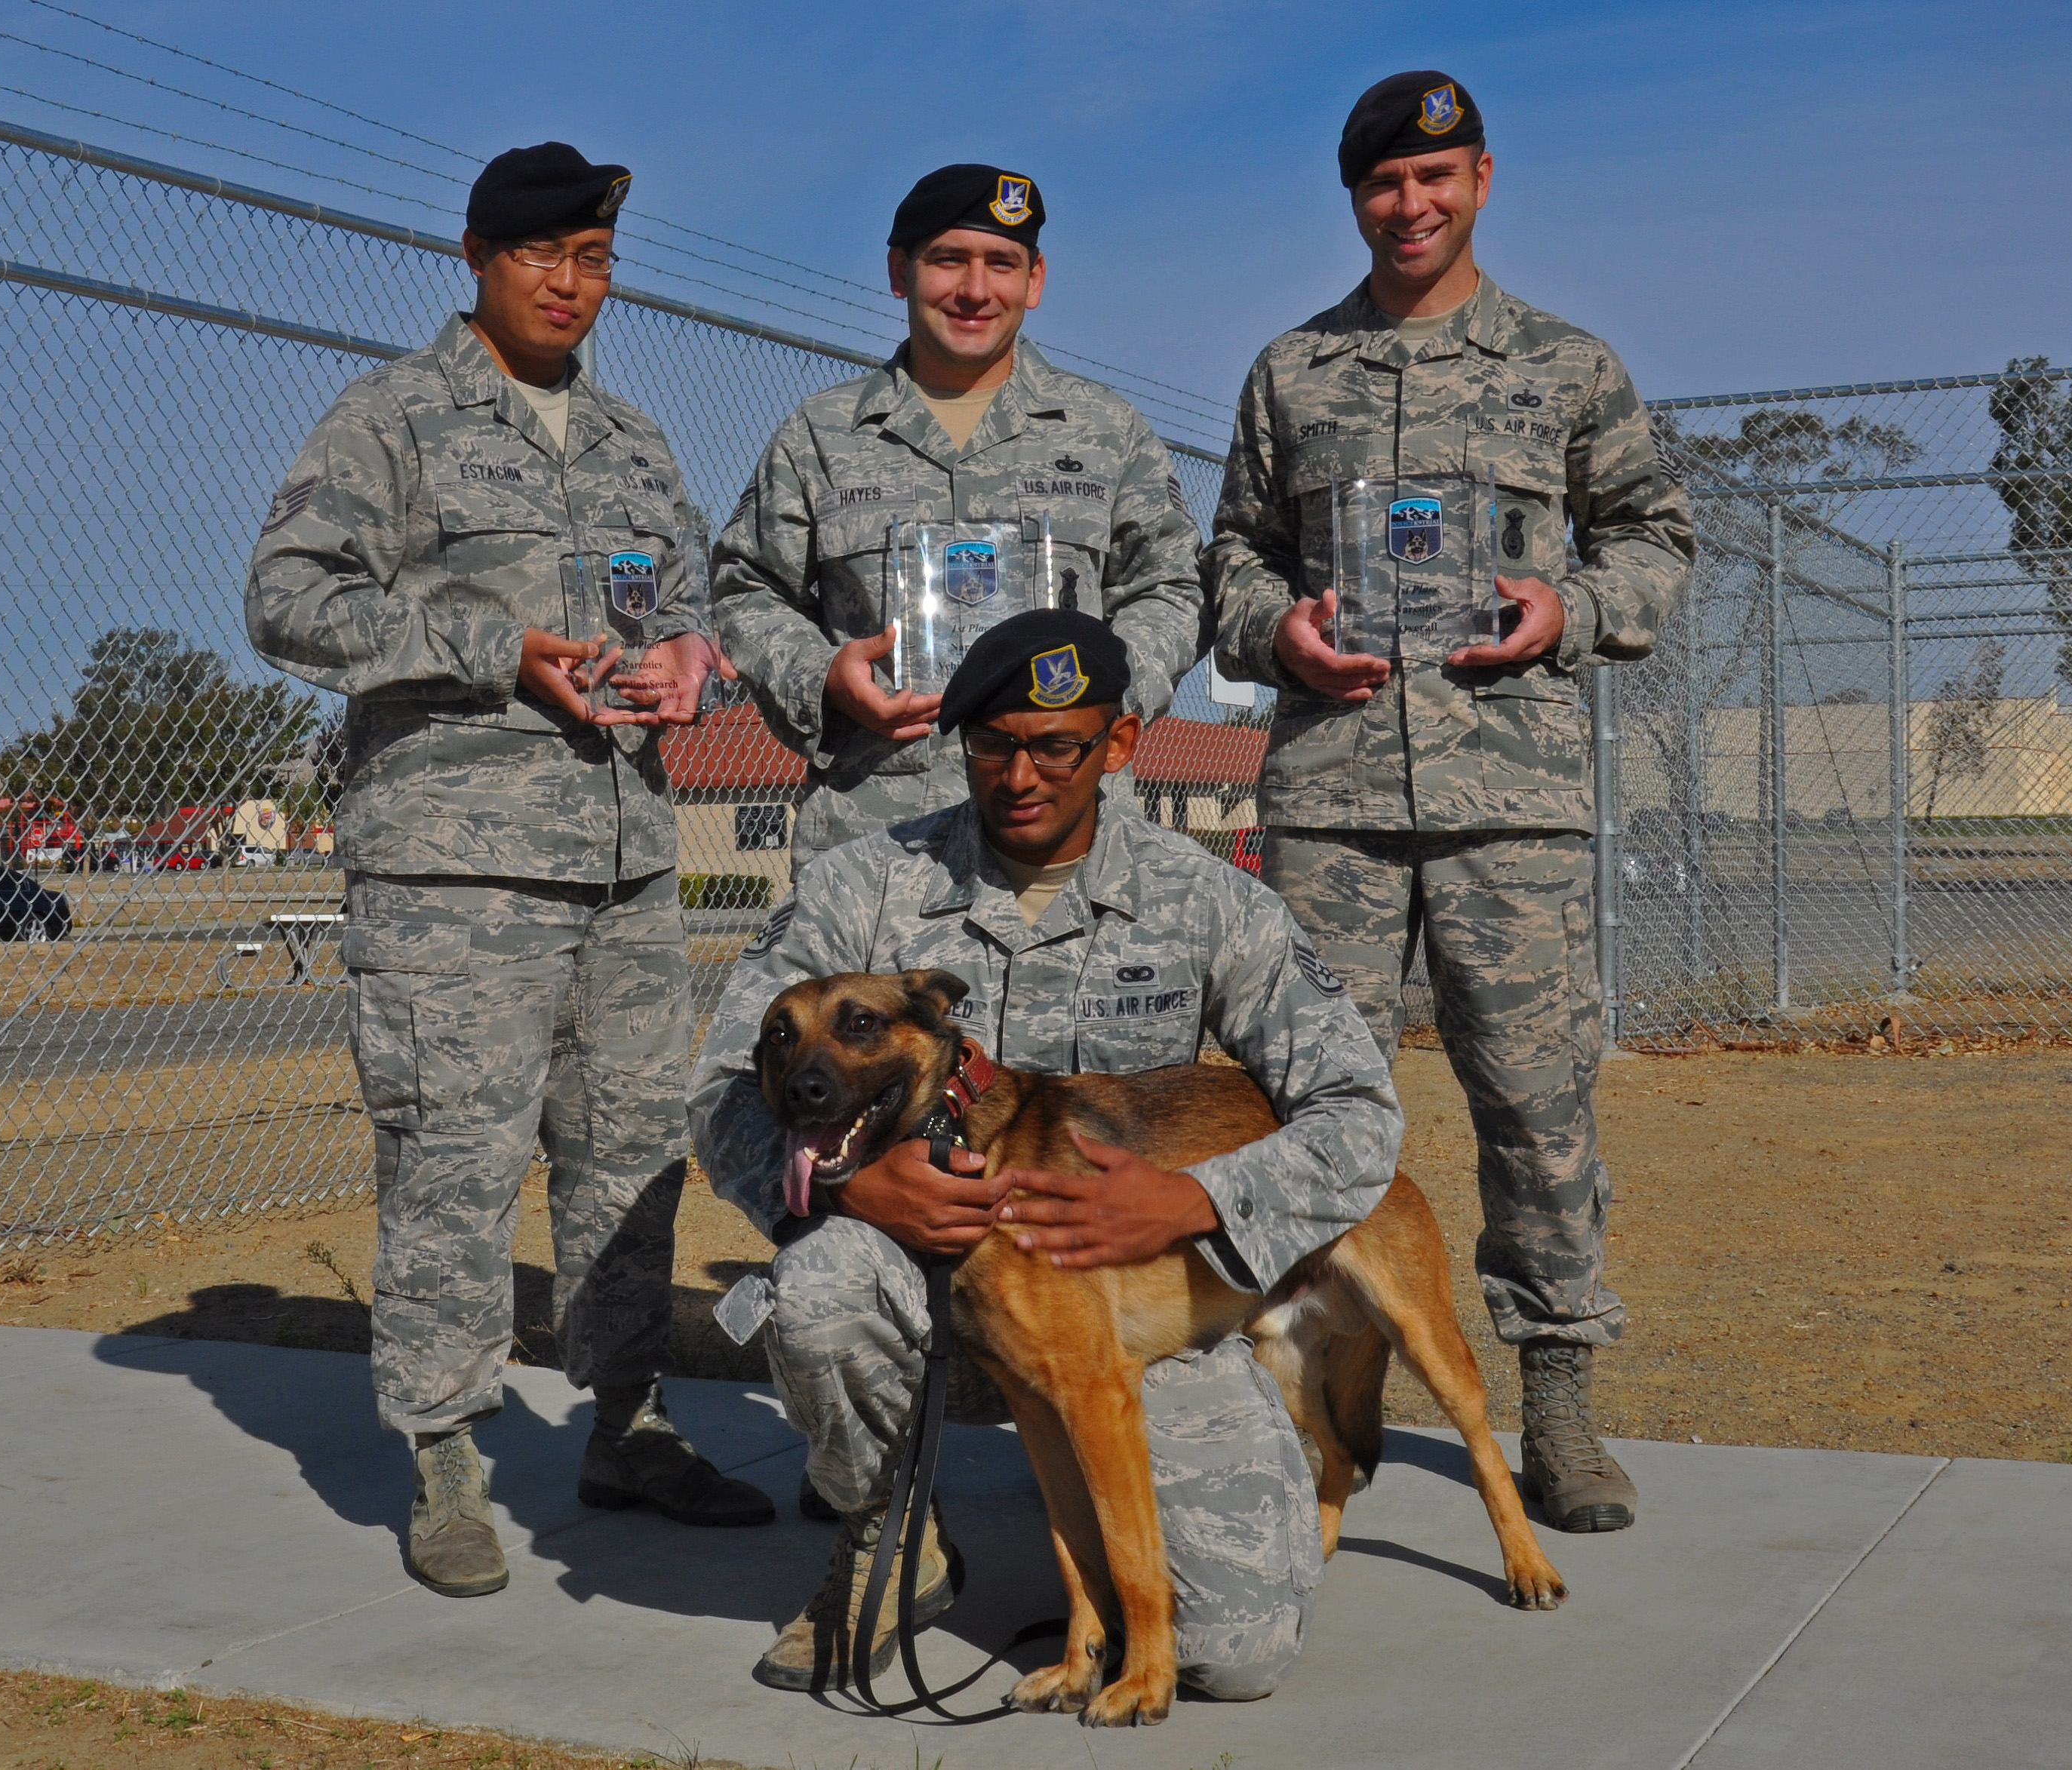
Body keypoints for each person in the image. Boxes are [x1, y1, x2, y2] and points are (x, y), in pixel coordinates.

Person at [690, 610, 1403, 1698]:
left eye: (1056, 743)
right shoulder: (861, 885)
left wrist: (1195, 1200)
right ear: (961, 744)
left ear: (1117, 746)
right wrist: (855, 1185)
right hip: (922, 1299)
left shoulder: (1208, 899)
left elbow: (1358, 1112)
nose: (1020, 772)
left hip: (1136, 1324)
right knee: (817, 1285)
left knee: (1237, 1655)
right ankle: (890, 1540)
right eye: (993, 742)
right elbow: (718, 1091)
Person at [245, 142, 771, 1600]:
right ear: (476, 256)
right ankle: (445, 1456)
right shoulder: (393, 420)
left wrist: (689, 666)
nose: (568, 282)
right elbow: (286, 601)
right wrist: (495, 645)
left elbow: (685, 615)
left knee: (624, 1159)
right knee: (456, 1165)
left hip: (622, 858)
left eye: (593, 258)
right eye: (542, 253)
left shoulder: (630, 441)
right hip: (452, 874)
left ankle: (629, 1425)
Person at [1206, 72, 1694, 1533]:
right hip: (1334, 802)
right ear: (1350, 196)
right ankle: (1317, 1387)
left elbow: (1657, 540)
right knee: (1304, 1107)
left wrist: (1565, 608)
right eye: (1379, 184)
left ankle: (1554, 1396)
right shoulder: (1292, 373)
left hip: (1510, 799)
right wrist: (1271, 630)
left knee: (1535, 1107)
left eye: (1433, 179)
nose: (1407, 207)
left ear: (1480, 178)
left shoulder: (1566, 368)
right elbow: (1227, 557)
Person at [709, 164, 1205, 869]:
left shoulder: (1106, 432)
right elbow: (746, 586)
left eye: (1001, 264)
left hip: (1068, 831)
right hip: (876, 840)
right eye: (948, 260)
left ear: (1033, 280)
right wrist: (822, 676)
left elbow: (1173, 585)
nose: (975, 290)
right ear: (898, 271)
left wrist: (1105, 699)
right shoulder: (820, 435)